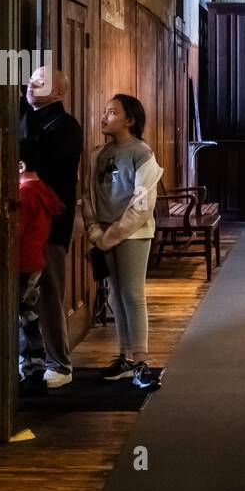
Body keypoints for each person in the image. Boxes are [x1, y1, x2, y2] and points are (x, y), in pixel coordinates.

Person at [81, 94, 163, 390]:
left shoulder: (142, 153)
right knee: (115, 295)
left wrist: (110, 235)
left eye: (112, 112)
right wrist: (94, 231)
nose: (105, 117)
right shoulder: (97, 154)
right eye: (104, 112)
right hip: (103, 234)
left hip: (133, 233)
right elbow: (88, 195)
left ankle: (141, 363)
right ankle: (125, 357)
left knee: (132, 295)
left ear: (129, 120)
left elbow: (142, 204)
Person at [21, 66, 83, 389]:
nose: (31, 84)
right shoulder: (25, 117)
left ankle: (60, 363)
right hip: (20, 220)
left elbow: (43, 170)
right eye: (31, 79)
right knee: (21, 294)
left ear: (59, 92)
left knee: (49, 290)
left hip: (50, 222)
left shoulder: (66, 126)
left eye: (40, 81)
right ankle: (28, 356)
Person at [17, 137, 64, 390]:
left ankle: (27, 369)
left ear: (20, 166)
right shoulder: (42, 189)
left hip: (21, 264)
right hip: (36, 262)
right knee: (30, 316)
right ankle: (34, 366)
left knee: (21, 319)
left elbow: (14, 231)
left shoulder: (25, 195)